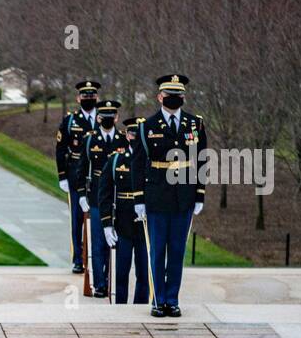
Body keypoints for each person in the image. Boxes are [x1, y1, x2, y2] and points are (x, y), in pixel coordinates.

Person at [130, 73, 208, 318]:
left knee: (176, 251)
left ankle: (172, 299)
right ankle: (157, 300)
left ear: (183, 97)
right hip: (156, 197)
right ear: (159, 97)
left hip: (183, 196)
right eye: (170, 95)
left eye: (179, 95)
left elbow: (201, 160)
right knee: (157, 250)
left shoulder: (195, 124)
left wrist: (199, 194)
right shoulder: (147, 127)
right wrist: (139, 199)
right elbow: (137, 165)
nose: (174, 99)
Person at [96, 118, 150, 305]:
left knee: (144, 273)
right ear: (127, 135)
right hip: (123, 223)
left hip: (144, 224)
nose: (135, 137)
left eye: (138, 134)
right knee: (121, 272)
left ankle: (140, 307)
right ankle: (120, 308)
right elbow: (104, 195)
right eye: (132, 134)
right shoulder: (116, 160)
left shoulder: (150, 161)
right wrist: (107, 224)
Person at [55, 80, 102, 275]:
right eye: (85, 96)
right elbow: (60, 149)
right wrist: (62, 176)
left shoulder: (103, 118)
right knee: (77, 219)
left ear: (96, 98)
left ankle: (97, 260)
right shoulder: (70, 120)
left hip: (98, 177)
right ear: (78, 98)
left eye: (91, 96)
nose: (88, 99)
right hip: (75, 175)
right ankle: (78, 259)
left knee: (98, 218)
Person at [80, 98, 125, 298]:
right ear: (98, 118)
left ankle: (112, 280)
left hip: (119, 198)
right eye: (104, 117)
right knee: (98, 242)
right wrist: (81, 194)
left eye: (111, 117)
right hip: (97, 197)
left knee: (115, 243)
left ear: (117, 117)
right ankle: (99, 284)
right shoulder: (90, 139)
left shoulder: (123, 140)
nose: (107, 120)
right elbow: (81, 169)